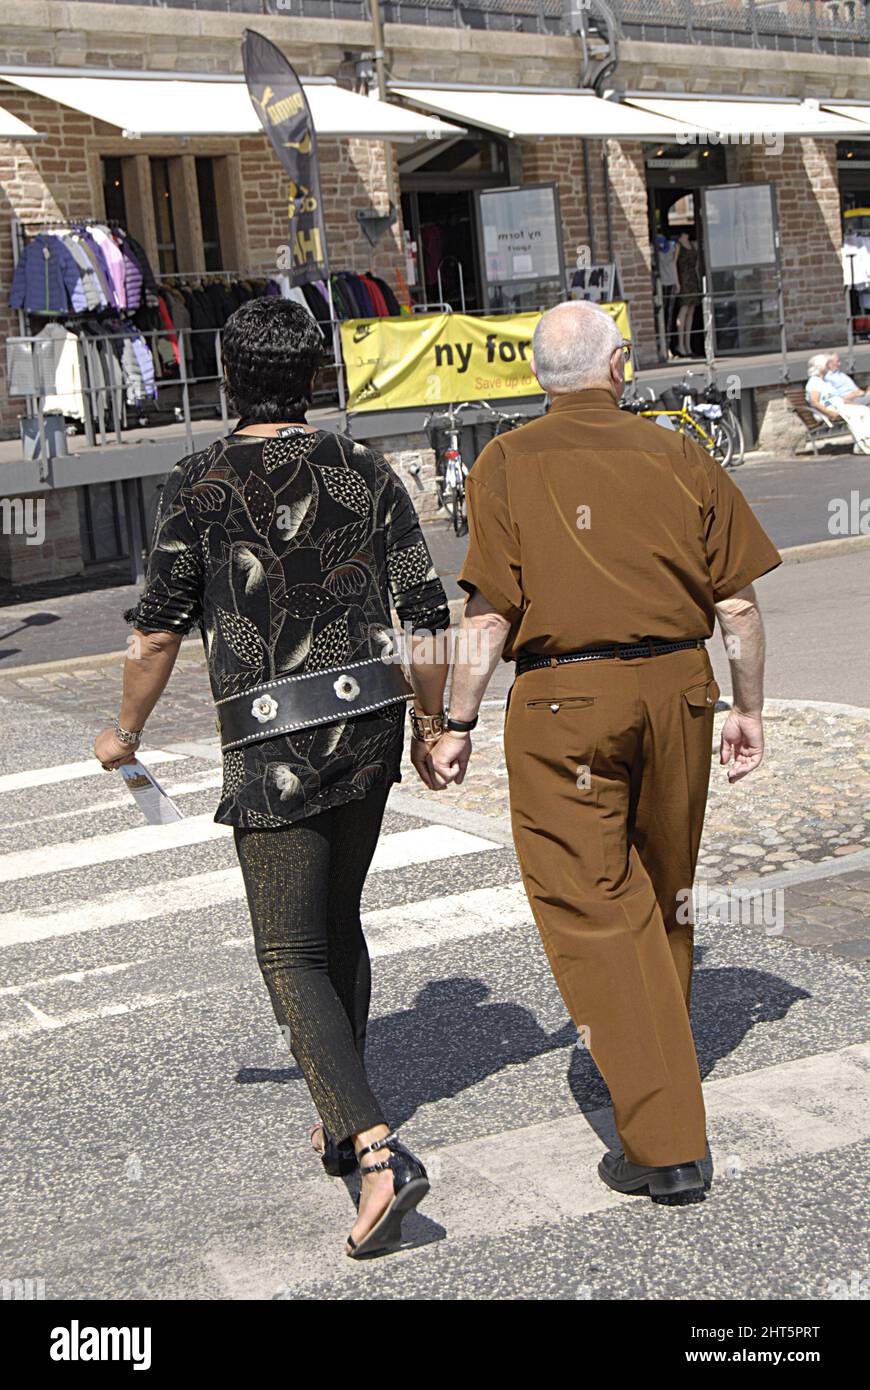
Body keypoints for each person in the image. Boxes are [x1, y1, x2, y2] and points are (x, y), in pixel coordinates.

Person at [93, 298, 452, 1259]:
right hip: (371, 722)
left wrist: (123, 732)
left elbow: (158, 627)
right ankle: (345, 1112)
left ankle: (376, 1152)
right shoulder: (366, 468)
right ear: (316, 376)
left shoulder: (199, 480)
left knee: (288, 951)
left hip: (273, 744)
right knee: (338, 927)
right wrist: (435, 723)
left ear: (224, 380)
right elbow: (425, 610)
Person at [429, 300, 782, 1203]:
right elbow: (737, 606)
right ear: (618, 365)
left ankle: (665, 1138)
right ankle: (661, 1055)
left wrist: (457, 720)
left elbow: (491, 612)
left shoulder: (506, 461)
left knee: (591, 902)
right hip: (681, 689)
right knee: (663, 892)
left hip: (566, 701)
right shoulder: (677, 451)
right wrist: (749, 709)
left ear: (539, 377)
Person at [806, 351, 870, 453]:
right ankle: (863, 445)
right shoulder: (814, 382)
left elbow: (838, 399)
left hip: (838, 406)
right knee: (854, 416)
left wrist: (854, 404)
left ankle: (864, 442)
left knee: (865, 410)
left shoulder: (825, 382)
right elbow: (815, 402)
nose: (828, 367)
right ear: (821, 367)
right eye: (826, 365)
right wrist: (829, 413)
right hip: (826, 411)